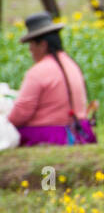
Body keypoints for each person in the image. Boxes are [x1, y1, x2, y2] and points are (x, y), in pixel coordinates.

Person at [7, 13, 96, 148]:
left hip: (52, 134)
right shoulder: (72, 65)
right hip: (80, 131)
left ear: (43, 44)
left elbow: (21, 114)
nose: (30, 49)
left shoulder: (38, 71)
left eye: (31, 44)